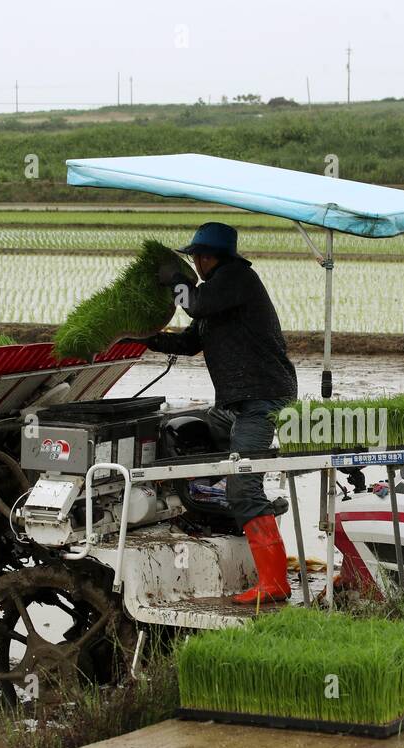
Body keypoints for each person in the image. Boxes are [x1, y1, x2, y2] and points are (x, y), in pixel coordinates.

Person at [138, 222, 298, 603]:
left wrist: (175, 279)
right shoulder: (214, 296)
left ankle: (275, 583)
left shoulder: (237, 278)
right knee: (190, 439)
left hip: (262, 399)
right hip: (236, 404)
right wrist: (140, 339)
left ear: (207, 258)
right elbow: (190, 342)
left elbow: (195, 304)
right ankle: (216, 526)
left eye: (195, 258)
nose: (194, 263)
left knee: (243, 484)